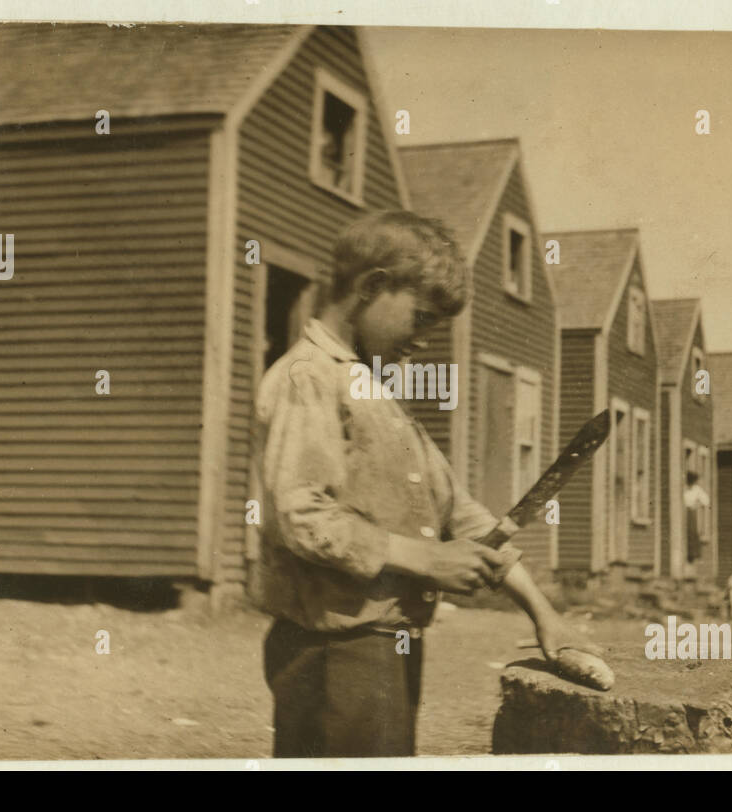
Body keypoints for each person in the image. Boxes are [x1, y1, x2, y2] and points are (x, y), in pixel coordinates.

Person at [253, 210, 595, 757]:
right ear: (373, 287)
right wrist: (426, 560)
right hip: (332, 650)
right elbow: (302, 516)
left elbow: (458, 511)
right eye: (420, 319)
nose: (424, 342)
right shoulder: (308, 377)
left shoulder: (373, 390)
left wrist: (543, 612)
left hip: (384, 647)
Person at [683, 470, 709, 566]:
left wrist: (696, 505)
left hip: (691, 512)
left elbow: (706, 500)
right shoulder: (684, 488)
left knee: (692, 532)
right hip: (682, 512)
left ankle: (692, 555)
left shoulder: (696, 489)